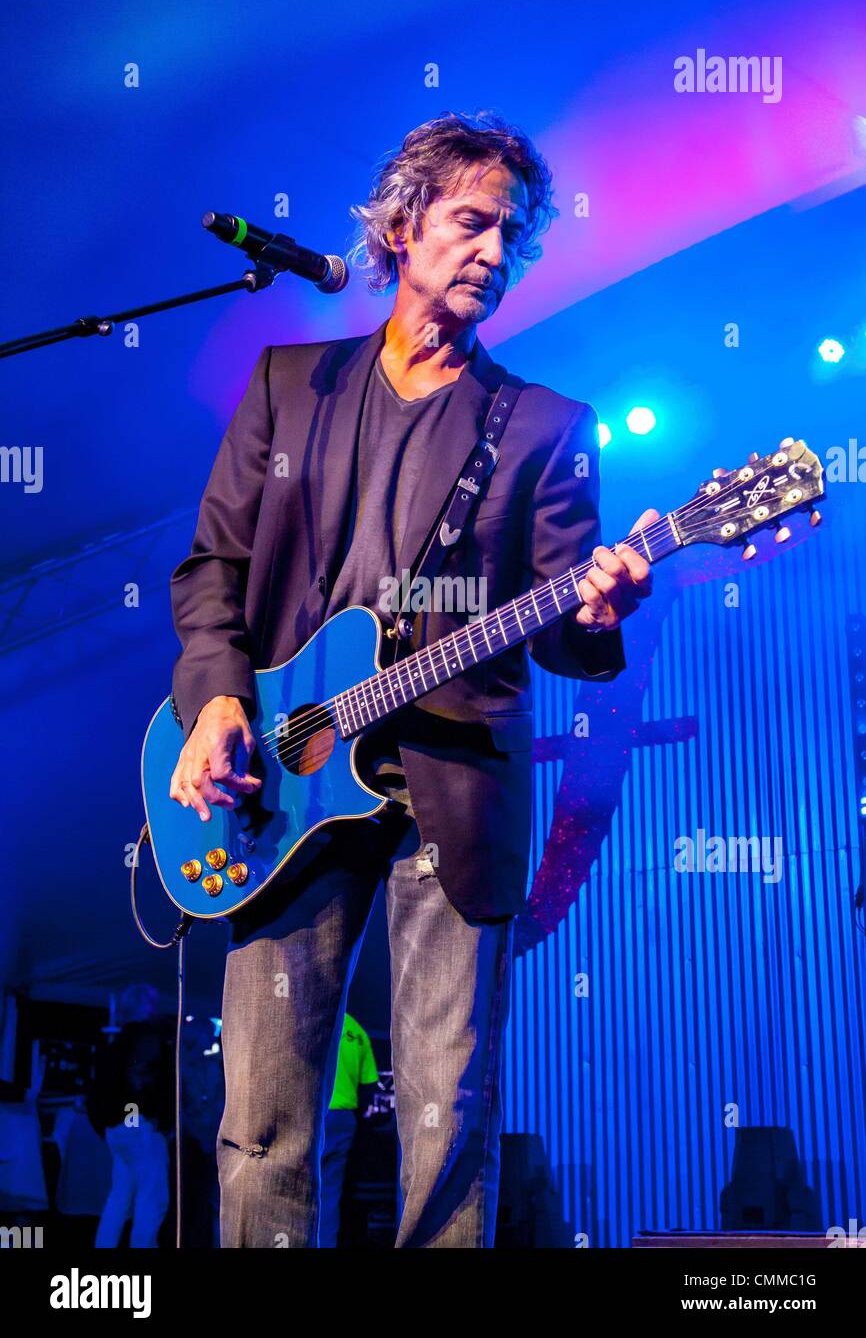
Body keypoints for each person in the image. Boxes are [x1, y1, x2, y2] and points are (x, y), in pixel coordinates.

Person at [168, 110, 655, 1248]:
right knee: (264, 1125)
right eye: (472, 222)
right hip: (285, 784)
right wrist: (219, 701)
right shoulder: (291, 386)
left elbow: (565, 636)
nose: (493, 251)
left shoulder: (543, 427)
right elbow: (212, 569)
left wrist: (601, 607)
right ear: (400, 224)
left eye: (512, 234)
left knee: (449, 1117)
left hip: (453, 782)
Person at [86, 985, 172, 1248]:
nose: (156, 1008)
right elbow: (143, 1082)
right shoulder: (147, 1040)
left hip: (119, 1127)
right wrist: (154, 1117)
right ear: (143, 1006)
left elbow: (98, 1090)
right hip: (137, 1124)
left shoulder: (114, 1045)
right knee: (151, 1197)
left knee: (120, 1197)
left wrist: (108, 1124)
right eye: (152, 1003)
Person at [318, 1012, 379, 1248]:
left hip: (309, 1113)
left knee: (293, 1184)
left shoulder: (310, 1016)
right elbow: (369, 1086)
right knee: (329, 1192)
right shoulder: (358, 1031)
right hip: (343, 1119)